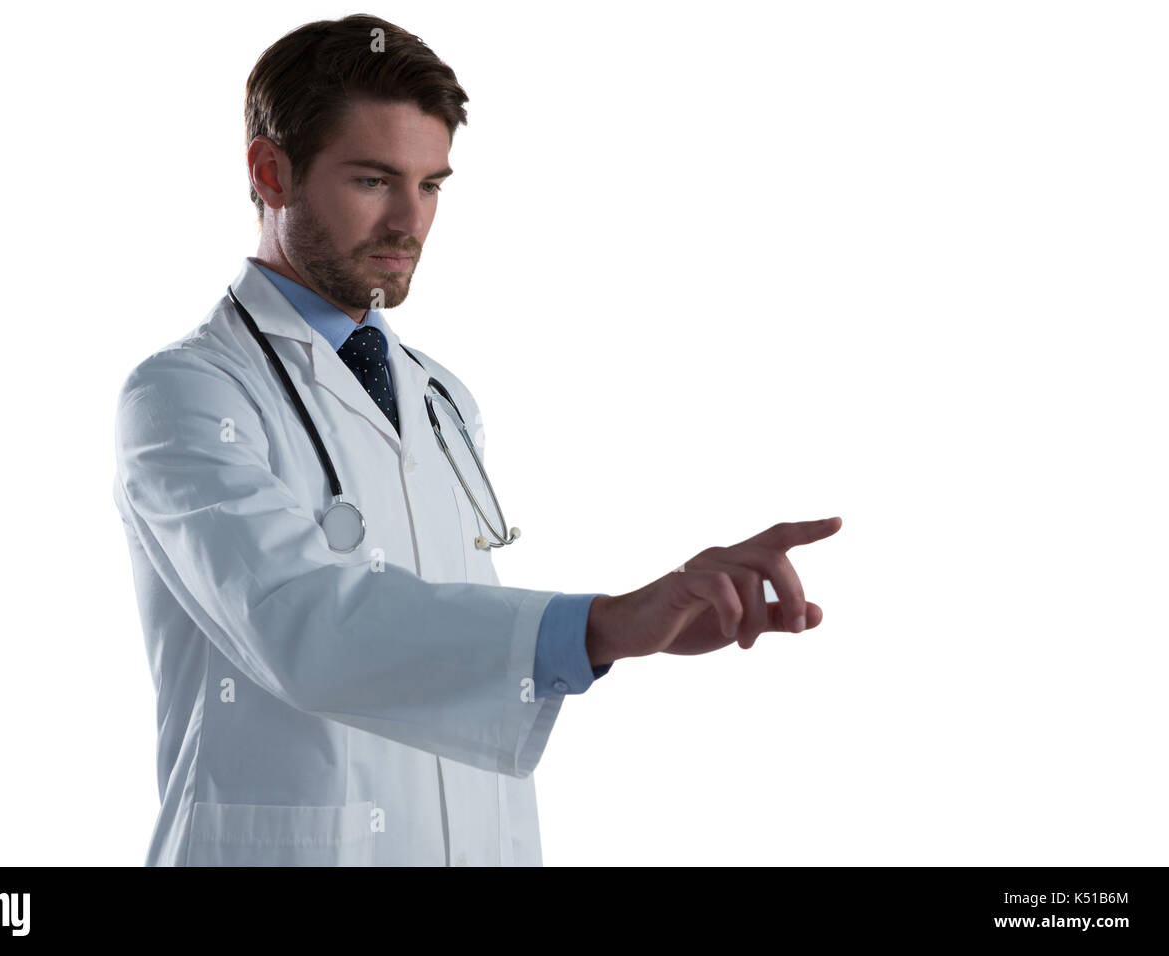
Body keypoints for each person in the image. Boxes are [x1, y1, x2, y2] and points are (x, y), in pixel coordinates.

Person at [111, 13, 842, 867]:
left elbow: (445, 650)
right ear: (271, 172)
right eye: (374, 180)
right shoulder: (186, 393)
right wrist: (599, 627)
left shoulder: (441, 396)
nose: (409, 223)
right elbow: (300, 627)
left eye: (432, 186)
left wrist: (631, 630)